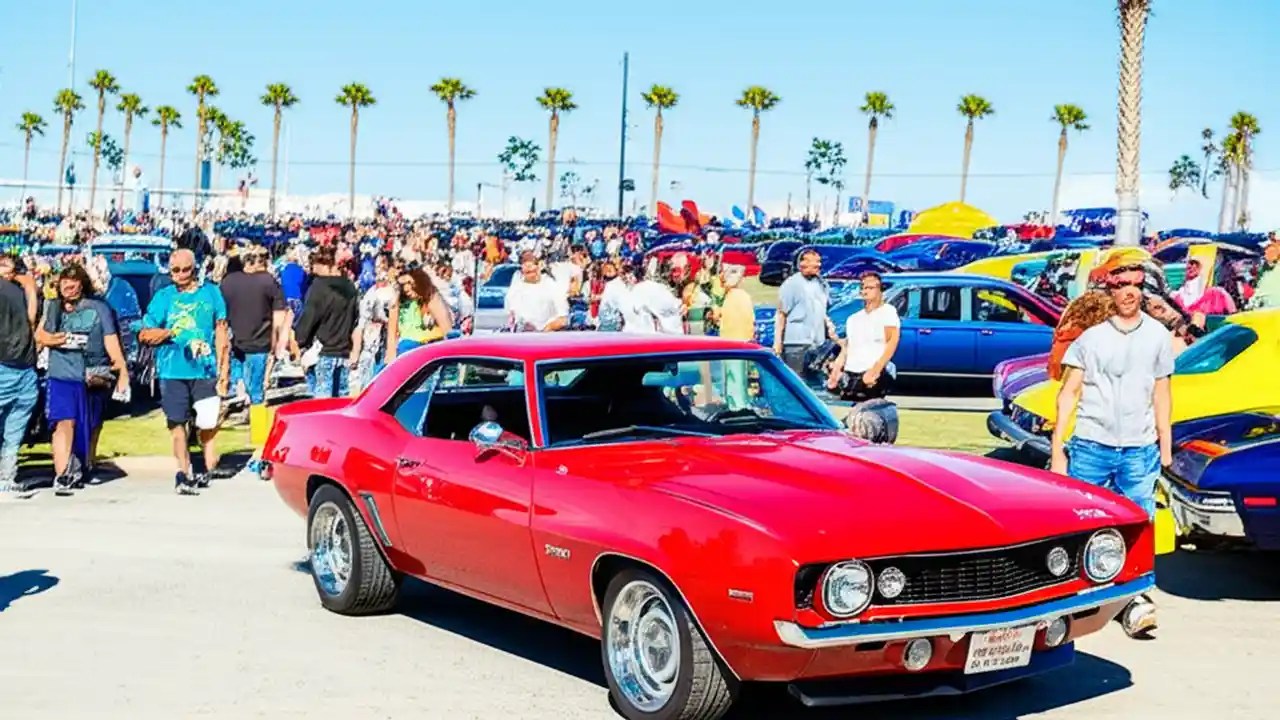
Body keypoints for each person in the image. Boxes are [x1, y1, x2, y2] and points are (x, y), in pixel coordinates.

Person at [1050, 262, 1173, 639]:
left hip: (1139, 447)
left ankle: (1135, 600)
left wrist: (1164, 447)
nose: (1129, 292)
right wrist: (1058, 450)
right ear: (1111, 292)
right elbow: (1068, 393)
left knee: (1140, 521)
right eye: (1122, 286)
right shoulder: (1091, 339)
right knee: (1082, 520)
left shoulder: (1157, 336)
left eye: (1136, 285)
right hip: (1091, 443)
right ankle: (1077, 593)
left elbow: (1162, 392)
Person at [140, 248, 230, 495]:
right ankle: (184, 471)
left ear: (195, 268)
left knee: (208, 421)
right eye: (174, 270)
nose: (179, 275)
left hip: (205, 369)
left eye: (185, 270)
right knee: (177, 424)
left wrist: (224, 369)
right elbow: (146, 332)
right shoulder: (164, 297)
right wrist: (171, 333)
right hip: (172, 371)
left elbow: (221, 331)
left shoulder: (211, 293)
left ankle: (206, 464)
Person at [36, 264, 130, 493]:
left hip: (94, 372)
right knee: (63, 421)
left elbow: (110, 338)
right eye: (64, 282)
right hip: (61, 374)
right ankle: (63, 475)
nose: (68, 285)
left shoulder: (99, 308)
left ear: (82, 283)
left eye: (73, 281)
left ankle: (84, 464)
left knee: (91, 423)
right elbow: (40, 335)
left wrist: (121, 368)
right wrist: (55, 340)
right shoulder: (52, 307)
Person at [220, 246, 286, 407]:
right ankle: (256, 423)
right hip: (259, 341)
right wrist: (277, 340)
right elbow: (279, 314)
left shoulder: (228, 282)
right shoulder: (268, 281)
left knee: (238, 382)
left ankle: (239, 396)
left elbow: (219, 314)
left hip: (234, 340)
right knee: (256, 392)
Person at [296, 245, 360, 398]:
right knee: (342, 403)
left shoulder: (318, 286)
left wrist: (300, 341)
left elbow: (309, 317)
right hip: (344, 350)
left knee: (321, 403)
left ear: (324, 264)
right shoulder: (350, 287)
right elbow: (355, 320)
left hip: (323, 350)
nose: (312, 269)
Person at [827, 272, 900, 401]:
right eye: (863, 288)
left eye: (870, 288)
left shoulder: (888, 312)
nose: (865, 291)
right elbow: (847, 347)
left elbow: (892, 342)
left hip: (872, 373)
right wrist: (836, 370)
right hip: (851, 373)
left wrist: (876, 370)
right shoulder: (854, 319)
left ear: (880, 290)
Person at [0, 259, 38, 500]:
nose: (8, 270)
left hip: (24, 364)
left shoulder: (19, 290)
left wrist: (31, 288)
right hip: (6, 362)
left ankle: (6, 477)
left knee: (15, 425)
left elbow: (31, 320)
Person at [774, 249, 837, 375]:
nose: (818, 265)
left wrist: (829, 327)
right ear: (802, 264)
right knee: (796, 380)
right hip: (796, 343)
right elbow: (781, 313)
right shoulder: (791, 284)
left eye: (819, 262)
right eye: (814, 262)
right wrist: (777, 343)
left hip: (817, 343)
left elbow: (822, 309)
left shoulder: (821, 284)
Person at [385, 267, 453, 362]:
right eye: (403, 284)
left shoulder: (431, 297)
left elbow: (447, 330)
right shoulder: (398, 301)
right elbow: (391, 332)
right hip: (404, 352)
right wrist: (390, 358)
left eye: (410, 283)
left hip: (429, 350)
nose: (406, 288)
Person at [504, 250, 568, 332]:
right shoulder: (516, 287)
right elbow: (511, 315)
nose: (528, 266)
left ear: (539, 266)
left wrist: (546, 330)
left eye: (532, 263)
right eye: (524, 262)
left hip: (547, 336)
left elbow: (563, 319)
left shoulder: (552, 285)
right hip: (521, 335)